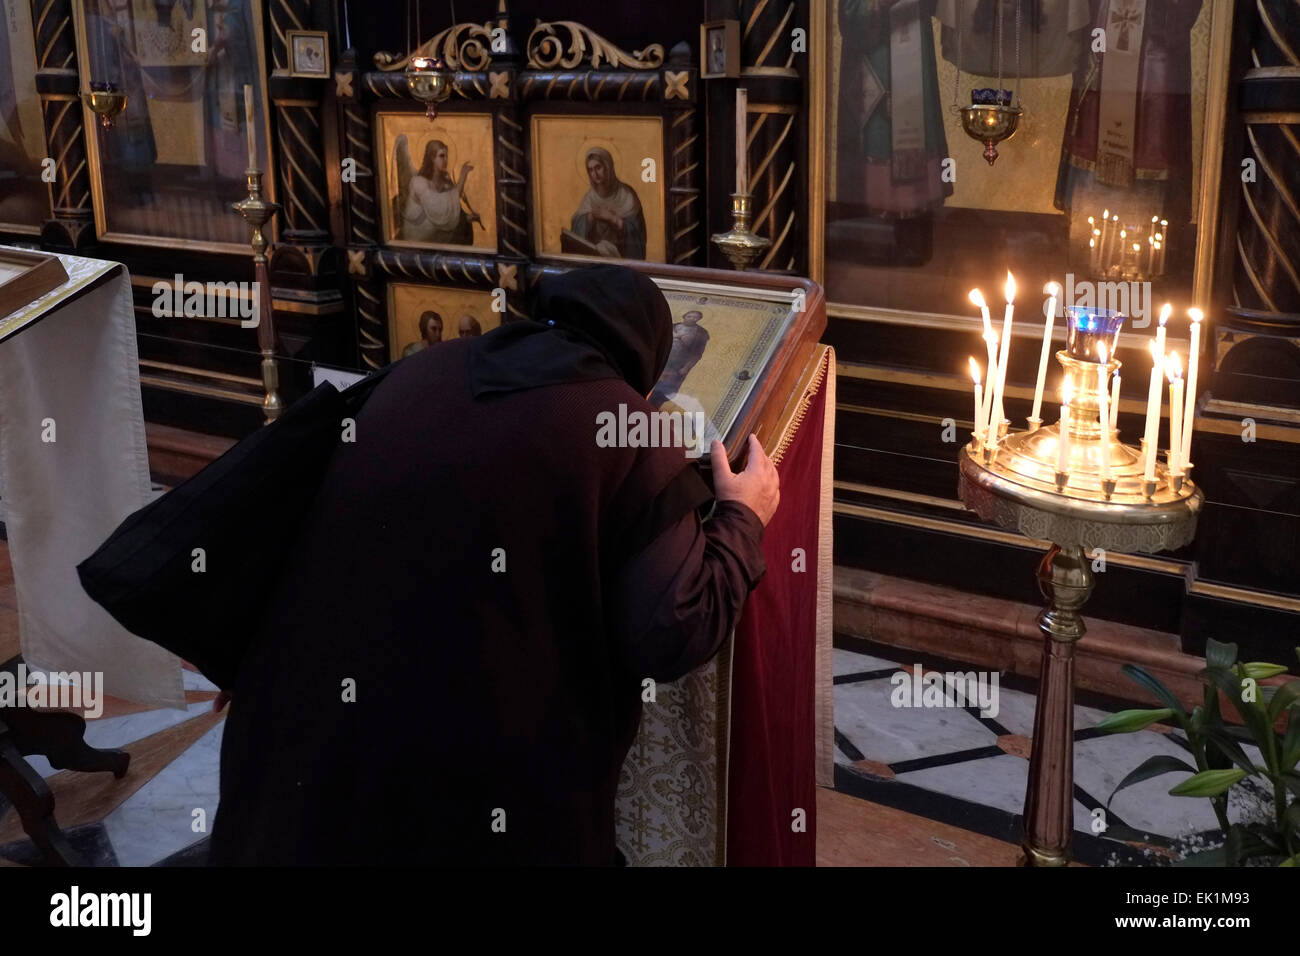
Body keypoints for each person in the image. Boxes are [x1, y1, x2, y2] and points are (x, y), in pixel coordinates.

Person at [211, 264, 779, 865]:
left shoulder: (419, 370)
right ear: (649, 355)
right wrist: (742, 517)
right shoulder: (630, 430)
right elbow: (674, 628)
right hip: (463, 795)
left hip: (289, 763)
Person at [395, 137, 482, 244]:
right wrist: (463, 175)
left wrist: (467, 218)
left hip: (436, 235)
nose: (446, 160)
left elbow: (450, 211)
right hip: (417, 239)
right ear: (432, 158)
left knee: (465, 230)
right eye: (441, 156)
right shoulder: (418, 182)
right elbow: (441, 207)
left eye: (446, 156)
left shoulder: (445, 180)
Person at [569, 148, 647, 259]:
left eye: (598, 167)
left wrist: (614, 220)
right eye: (590, 170)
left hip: (622, 262)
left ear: (608, 166)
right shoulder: (589, 198)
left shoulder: (627, 195)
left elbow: (638, 235)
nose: (595, 174)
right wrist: (590, 218)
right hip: (596, 261)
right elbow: (576, 232)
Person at [649, 310, 709, 406]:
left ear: (699, 319)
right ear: (684, 316)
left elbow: (697, 353)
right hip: (661, 360)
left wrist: (687, 367)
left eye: (695, 317)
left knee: (664, 389)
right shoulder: (672, 326)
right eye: (690, 316)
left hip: (678, 364)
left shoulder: (701, 333)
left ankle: (652, 406)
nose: (692, 318)